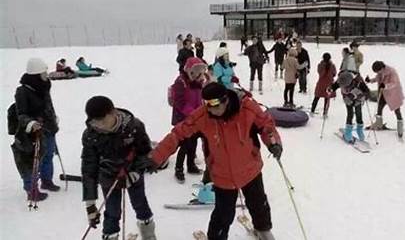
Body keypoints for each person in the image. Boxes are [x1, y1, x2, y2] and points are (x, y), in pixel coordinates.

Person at [148, 82, 282, 240]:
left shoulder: (247, 108)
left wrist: (274, 143)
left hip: (250, 169)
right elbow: (177, 134)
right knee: (223, 214)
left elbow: (266, 125)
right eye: (207, 104)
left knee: (258, 204)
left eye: (214, 105)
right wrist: (156, 157)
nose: (210, 109)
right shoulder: (203, 115)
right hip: (222, 175)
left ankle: (263, 229)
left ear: (225, 100)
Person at [81, 96, 159, 240]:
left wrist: (136, 172)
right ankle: (110, 236)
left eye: (103, 121)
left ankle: (148, 234)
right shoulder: (90, 135)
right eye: (95, 122)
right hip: (108, 177)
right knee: (112, 212)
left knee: (140, 203)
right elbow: (88, 168)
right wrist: (90, 204)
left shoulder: (134, 127)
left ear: (113, 112)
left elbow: (146, 153)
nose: (100, 126)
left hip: (132, 174)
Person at [11, 58, 60, 202]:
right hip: (33, 133)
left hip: (48, 128)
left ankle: (47, 180)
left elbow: (48, 107)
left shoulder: (44, 86)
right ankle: (31, 190)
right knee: (33, 162)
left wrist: (53, 118)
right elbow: (21, 114)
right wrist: (31, 123)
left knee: (48, 156)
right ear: (36, 74)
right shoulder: (22, 91)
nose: (46, 74)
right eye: (43, 72)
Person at [171, 57, 207, 182]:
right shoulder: (180, 82)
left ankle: (191, 165)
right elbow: (180, 103)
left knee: (194, 141)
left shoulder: (198, 82)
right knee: (185, 144)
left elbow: (200, 99)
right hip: (183, 118)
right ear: (189, 71)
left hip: (196, 117)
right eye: (197, 71)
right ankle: (178, 169)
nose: (200, 74)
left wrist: (201, 112)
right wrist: (194, 113)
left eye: (201, 71)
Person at [365, 61, 405, 137]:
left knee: (397, 110)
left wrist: (385, 85)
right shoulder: (380, 72)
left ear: (382, 68)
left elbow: (394, 83)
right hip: (383, 93)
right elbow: (377, 78)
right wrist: (370, 80)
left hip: (393, 94)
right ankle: (378, 124)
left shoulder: (392, 71)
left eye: (378, 71)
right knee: (379, 108)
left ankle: (400, 127)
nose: (378, 73)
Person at [329, 71, 370, 143]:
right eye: (343, 86)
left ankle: (359, 130)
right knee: (350, 113)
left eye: (346, 86)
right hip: (348, 99)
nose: (344, 87)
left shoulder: (359, 82)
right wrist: (331, 89)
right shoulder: (341, 79)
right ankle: (348, 132)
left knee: (358, 113)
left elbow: (367, 92)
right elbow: (335, 85)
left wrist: (356, 95)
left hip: (358, 99)